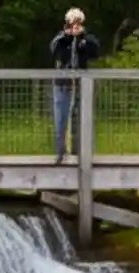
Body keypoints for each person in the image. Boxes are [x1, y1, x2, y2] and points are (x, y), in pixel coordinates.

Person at [49, 8, 101, 163]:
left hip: (80, 85)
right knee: (61, 119)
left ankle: (78, 152)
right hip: (62, 84)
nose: (75, 26)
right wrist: (67, 36)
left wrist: (82, 38)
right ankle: (60, 153)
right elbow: (53, 49)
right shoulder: (61, 38)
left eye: (79, 23)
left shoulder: (86, 39)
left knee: (80, 119)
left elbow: (96, 50)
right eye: (73, 23)